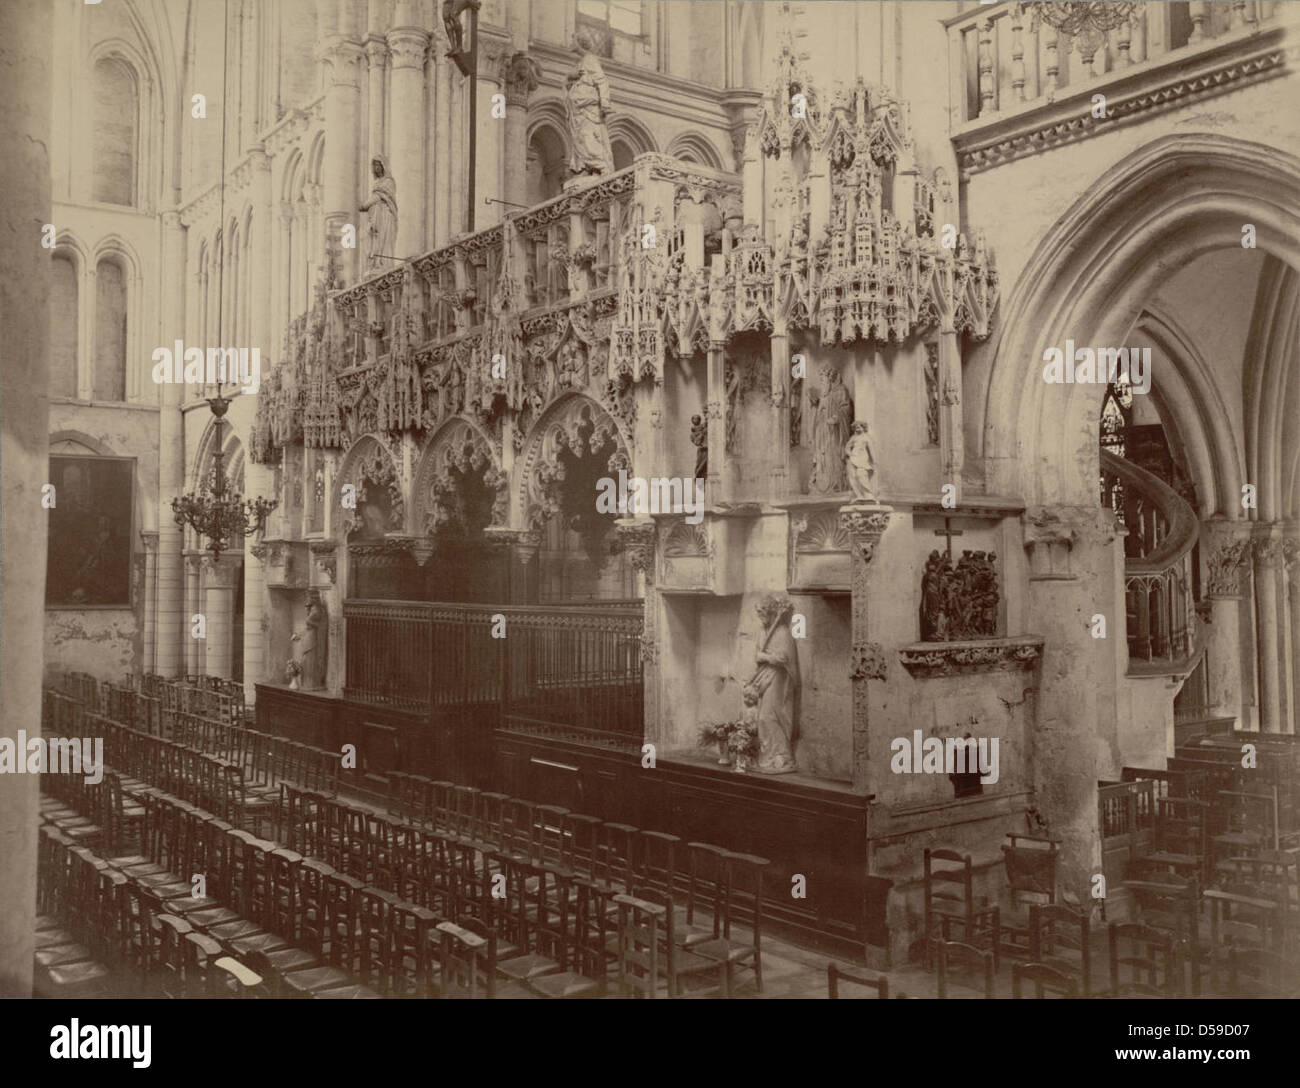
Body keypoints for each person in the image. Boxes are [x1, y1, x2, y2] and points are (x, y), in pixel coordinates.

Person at [747, 595, 800, 774]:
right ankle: (768, 755)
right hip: (763, 677)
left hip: (779, 678)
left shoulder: (782, 631)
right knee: (761, 717)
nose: (760, 615)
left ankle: (783, 756)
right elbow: (757, 652)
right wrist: (759, 657)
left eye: (762, 611)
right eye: (758, 612)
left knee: (770, 716)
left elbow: (785, 657)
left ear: (771, 611)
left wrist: (766, 657)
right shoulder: (763, 631)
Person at [565, 28, 614, 177]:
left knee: (588, 136)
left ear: (579, 42)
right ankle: (590, 167)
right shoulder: (580, 63)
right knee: (581, 138)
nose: (570, 43)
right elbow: (570, 83)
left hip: (588, 108)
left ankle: (601, 167)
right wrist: (570, 77)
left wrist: (605, 104)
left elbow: (602, 81)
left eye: (573, 40)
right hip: (578, 109)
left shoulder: (590, 60)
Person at [360, 155, 397, 271]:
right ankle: (374, 262)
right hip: (375, 216)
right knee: (372, 236)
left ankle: (382, 262)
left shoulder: (388, 182)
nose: (375, 167)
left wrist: (364, 205)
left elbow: (378, 196)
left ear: (383, 166)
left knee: (383, 239)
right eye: (374, 165)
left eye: (378, 164)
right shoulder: (376, 183)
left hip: (385, 215)